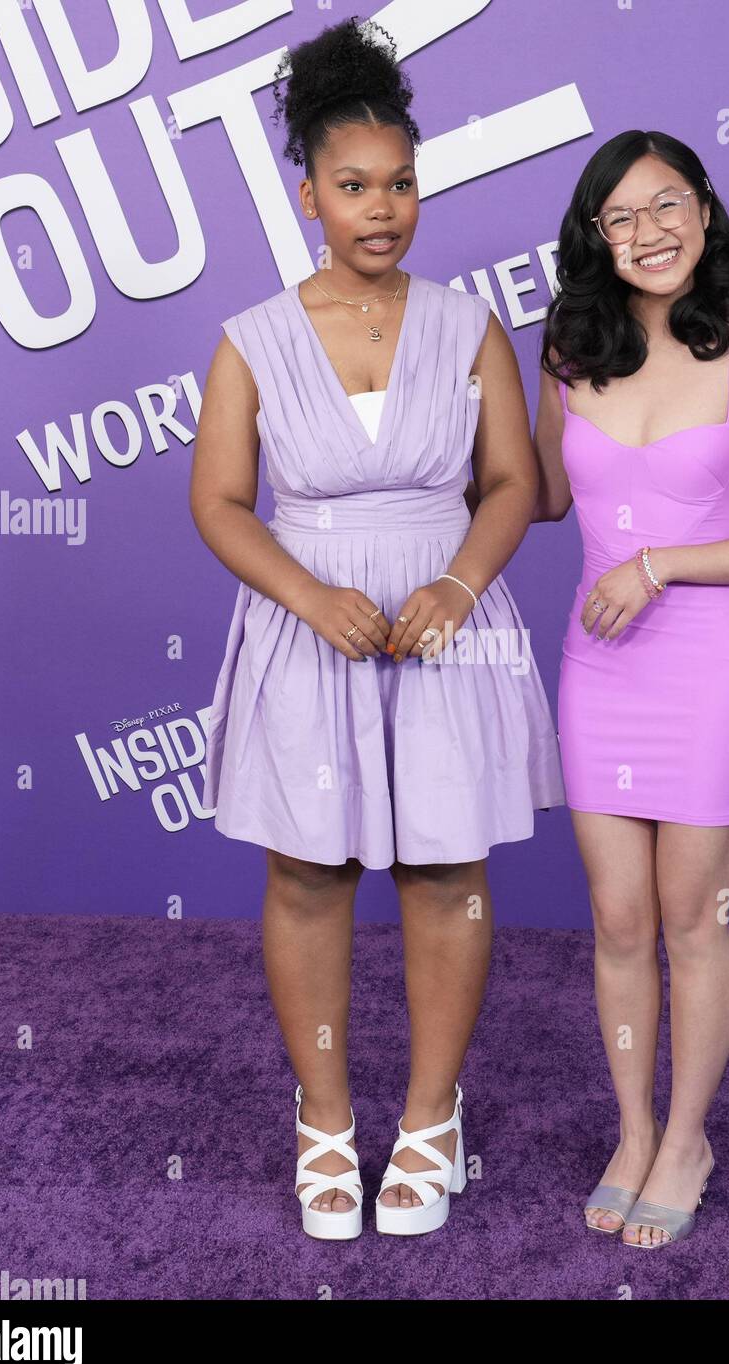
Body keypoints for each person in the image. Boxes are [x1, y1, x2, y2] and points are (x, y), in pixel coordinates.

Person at [190, 17, 563, 1239]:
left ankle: (429, 1118)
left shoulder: (468, 327)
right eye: (353, 186)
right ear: (307, 194)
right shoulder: (249, 340)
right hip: (311, 631)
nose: (382, 207)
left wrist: (456, 586)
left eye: (401, 183)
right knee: (306, 871)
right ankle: (324, 1121)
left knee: (445, 867)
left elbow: (512, 482)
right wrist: (310, 596)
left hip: (443, 628)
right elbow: (218, 503)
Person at [533, 130, 729, 1248]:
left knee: (687, 918)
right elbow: (544, 495)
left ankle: (689, 1137)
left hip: (704, 668)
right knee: (616, 921)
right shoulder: (565, 345)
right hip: (596, 666)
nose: (646, 232)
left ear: (702, 213)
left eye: (665, 207)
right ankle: (632, 1126)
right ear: (595, 238)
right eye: (619, 216)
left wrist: (657, 563)